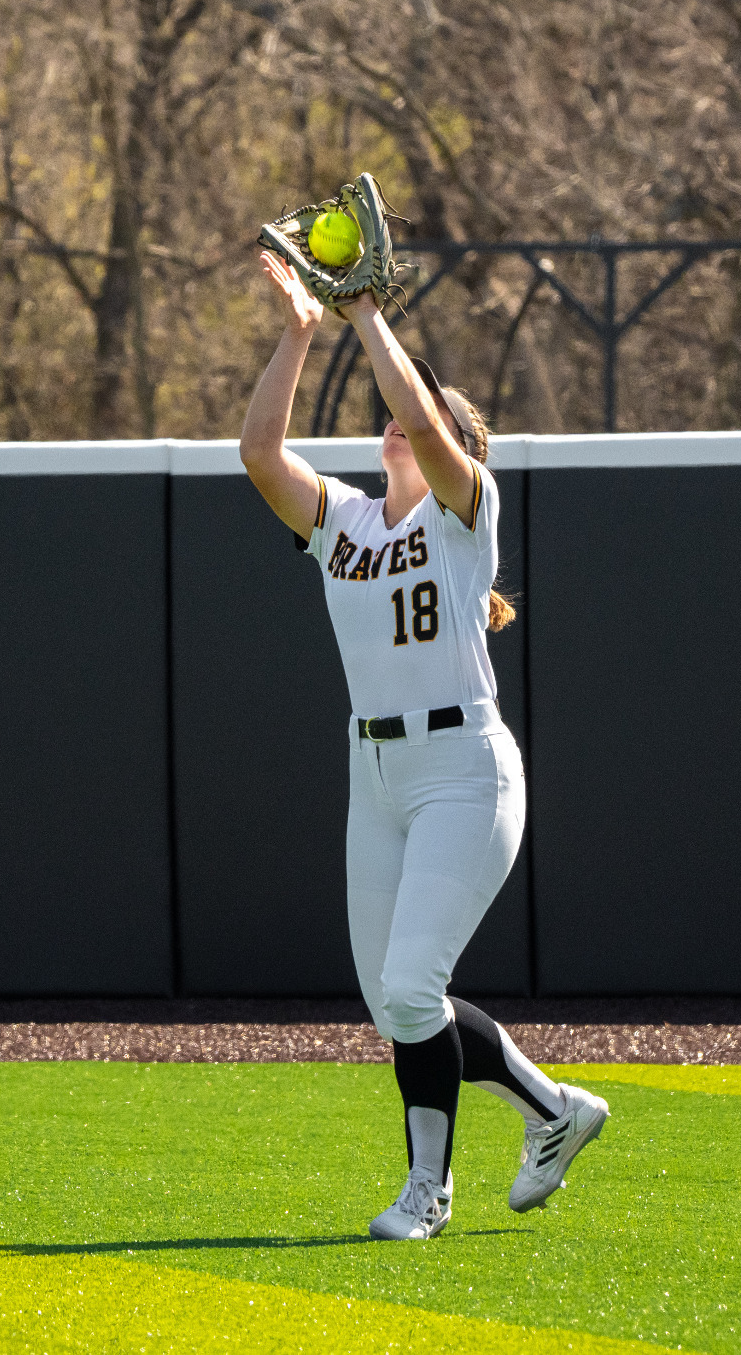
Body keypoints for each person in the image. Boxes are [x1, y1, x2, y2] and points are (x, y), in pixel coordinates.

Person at [240, 249, 610, 1241]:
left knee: (408, 989)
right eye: (397, 410)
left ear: (457, 444)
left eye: (426, 412)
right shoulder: (346, 524)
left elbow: (421, 406)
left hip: (463, 772)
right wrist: (296, 335)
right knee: (401, 1003)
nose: (401, 417)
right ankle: (553, 1111)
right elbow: (258, 455)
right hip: (376, 776)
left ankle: (425, 1191)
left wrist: (366, 315)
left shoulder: (463, 512)